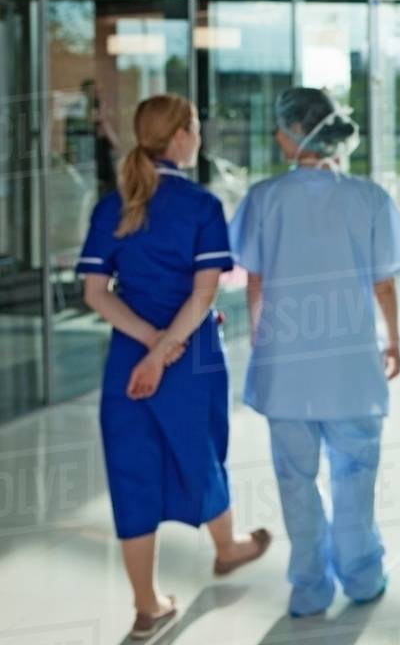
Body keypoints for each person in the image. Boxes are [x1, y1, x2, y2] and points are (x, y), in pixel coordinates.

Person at [78, 93, 271, 641]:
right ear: (182, 135)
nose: (200, 137)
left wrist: (146, 344)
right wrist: (166, 350)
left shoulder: (112, 204)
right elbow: (205, 294)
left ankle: (147, 606)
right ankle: (228, 547)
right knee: (201, 450)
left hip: (128, 357)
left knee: (131, 468)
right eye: (197, 128)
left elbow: (95, 292)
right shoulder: (201, 205)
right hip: (192, 355)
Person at [228, 87, 400, 618]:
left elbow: (256, 281)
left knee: (295, 481)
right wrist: (395, 339)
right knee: (354, 475)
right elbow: (383, 282)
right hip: (351, 371)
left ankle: (309, 587)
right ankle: (362, 578)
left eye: (280, 127)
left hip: (286, 372)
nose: (276, 136)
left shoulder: (264, 197)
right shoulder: (367, 199)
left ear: (298, 134)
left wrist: (261, 336)